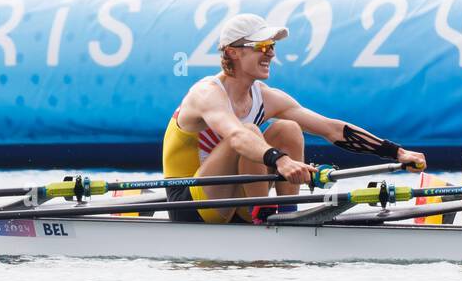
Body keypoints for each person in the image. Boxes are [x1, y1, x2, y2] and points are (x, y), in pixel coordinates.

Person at [162, 13, 426, 223]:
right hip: (191, 202)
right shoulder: (206, 93)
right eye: (262, 46)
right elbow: (237, 136)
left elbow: (330, 129)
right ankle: (263, 215)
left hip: (230, 200)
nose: (271, 54)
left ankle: (284, 213)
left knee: (288, 129)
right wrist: (281, 161)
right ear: (233, 52)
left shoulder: (265, 96)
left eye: (272, 46)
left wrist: (397, 152)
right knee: (249, 131)